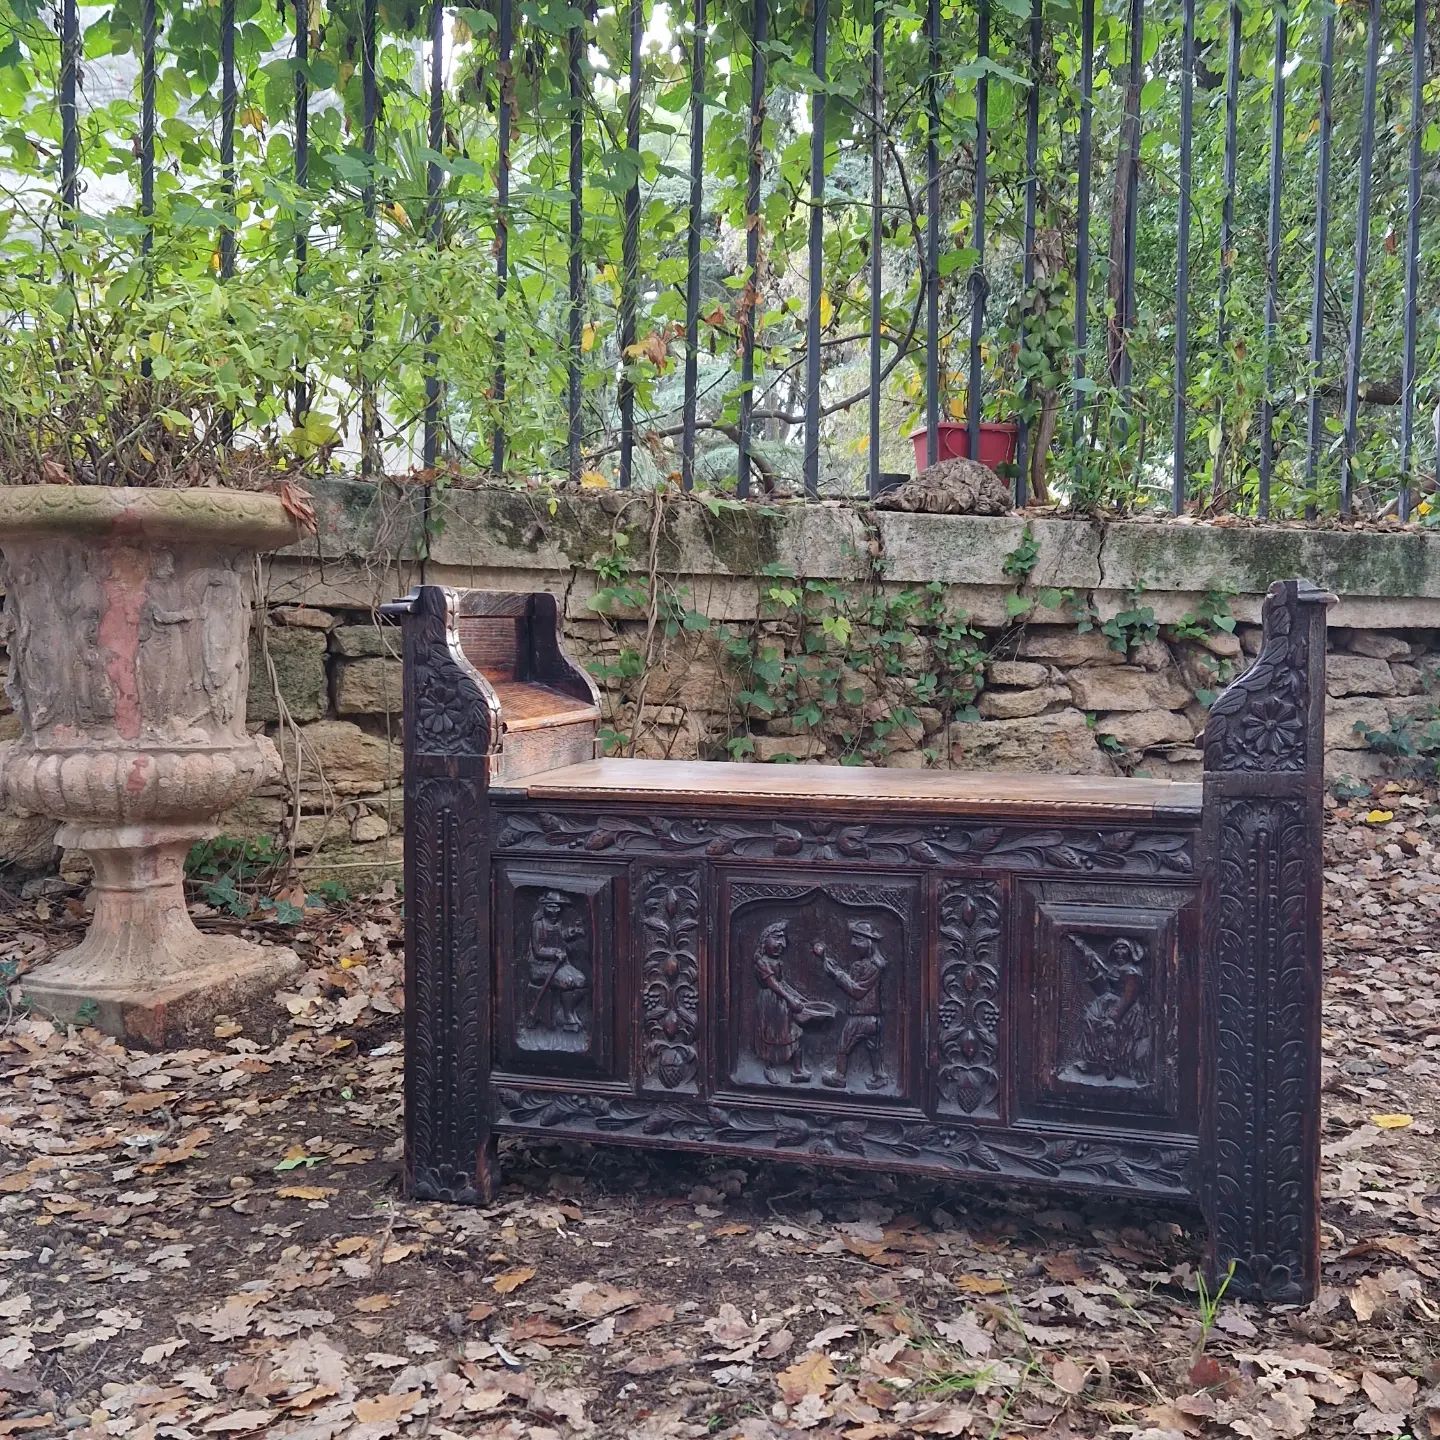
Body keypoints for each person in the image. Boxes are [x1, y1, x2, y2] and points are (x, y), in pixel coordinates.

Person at [820, 920, 890, 1090]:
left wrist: (837, 975)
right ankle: (879, 1075)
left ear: (869, 942)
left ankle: (839, 1076)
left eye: (858, 939)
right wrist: (833, 968)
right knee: (873, 1048)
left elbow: (857, 991)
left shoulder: (873, 966)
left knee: (843, 1046)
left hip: (861, 1017)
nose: (852, 944)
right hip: (873, 1018)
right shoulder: (864, 964)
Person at [754, 921, 817, 1084]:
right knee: (770, 1036)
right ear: (764, 940)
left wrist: (797, 996)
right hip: (770, 1004)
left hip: (782, 1003)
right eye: (777, 939)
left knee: (794, 1033)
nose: (781, 944)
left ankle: (798, 1070)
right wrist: (790, 999)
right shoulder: (762, 962)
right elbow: (772, 984)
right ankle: (769, 1067)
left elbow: (782, 983)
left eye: (783, 940)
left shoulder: (777, 962)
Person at [524, 891, 589, 1033]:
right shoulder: (538, 925)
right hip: (540, 967)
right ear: (544, 907)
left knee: (581, 980)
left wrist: (573, 932)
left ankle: (569, 1012)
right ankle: (567, 1017)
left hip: (560, 965)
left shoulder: (558, 924)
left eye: (558, 907)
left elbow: (561, 937)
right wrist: (554, 953)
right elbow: (538, 949)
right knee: (568, 981)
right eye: (551, 907)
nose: (555, 910)